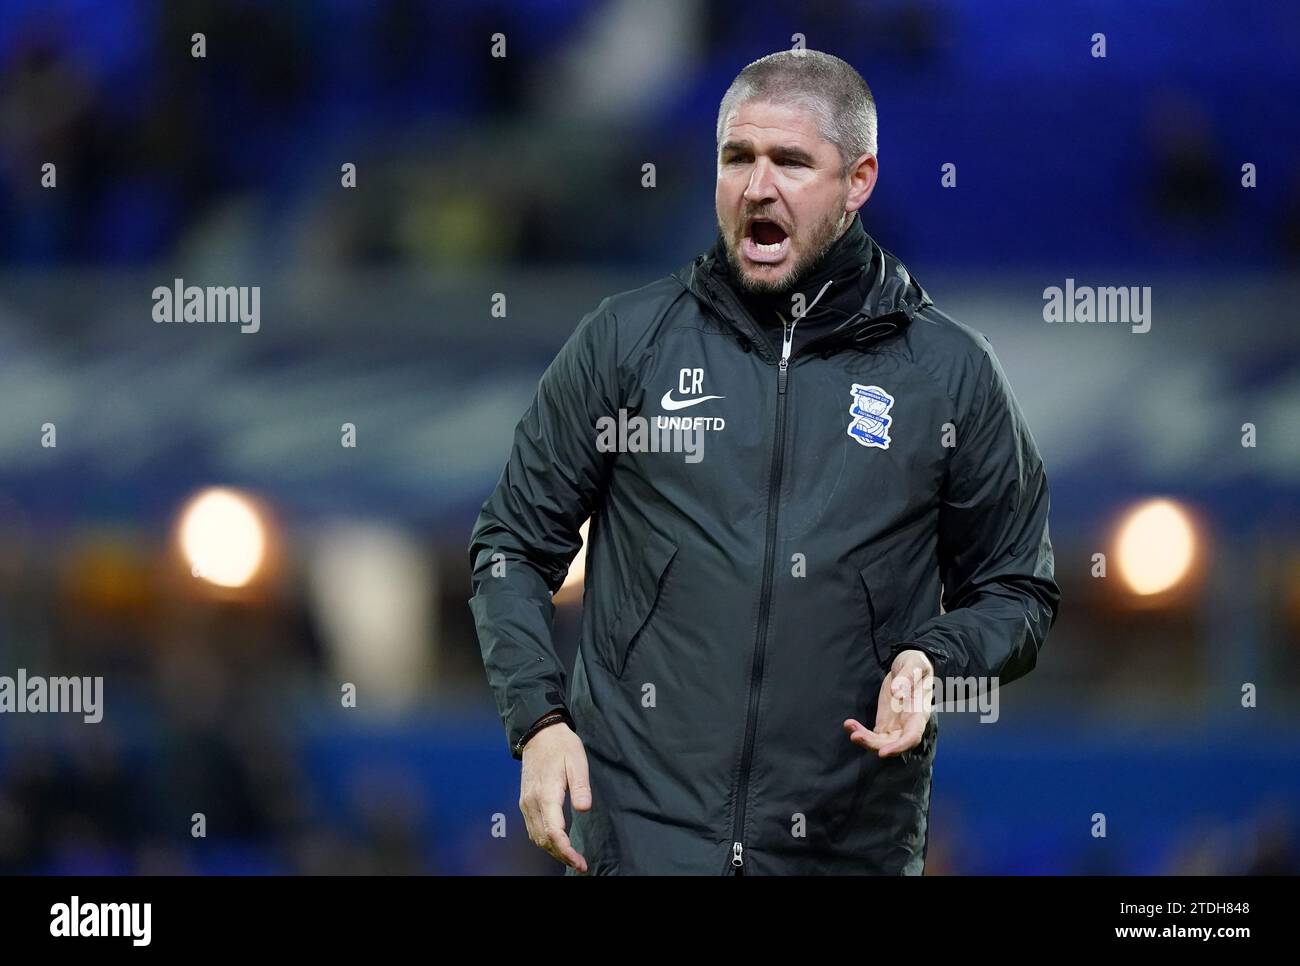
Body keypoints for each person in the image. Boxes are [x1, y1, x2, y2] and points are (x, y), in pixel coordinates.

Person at [468, 49, 1061, 875]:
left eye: (790, 161)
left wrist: (937, 658)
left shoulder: (947, 375)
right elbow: (509, 547)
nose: (756, 186)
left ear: (858, 181)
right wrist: (537, 721)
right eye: (736, 158)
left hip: (844, 851)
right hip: (643, 846)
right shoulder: (625, 341)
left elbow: (1017, 588)